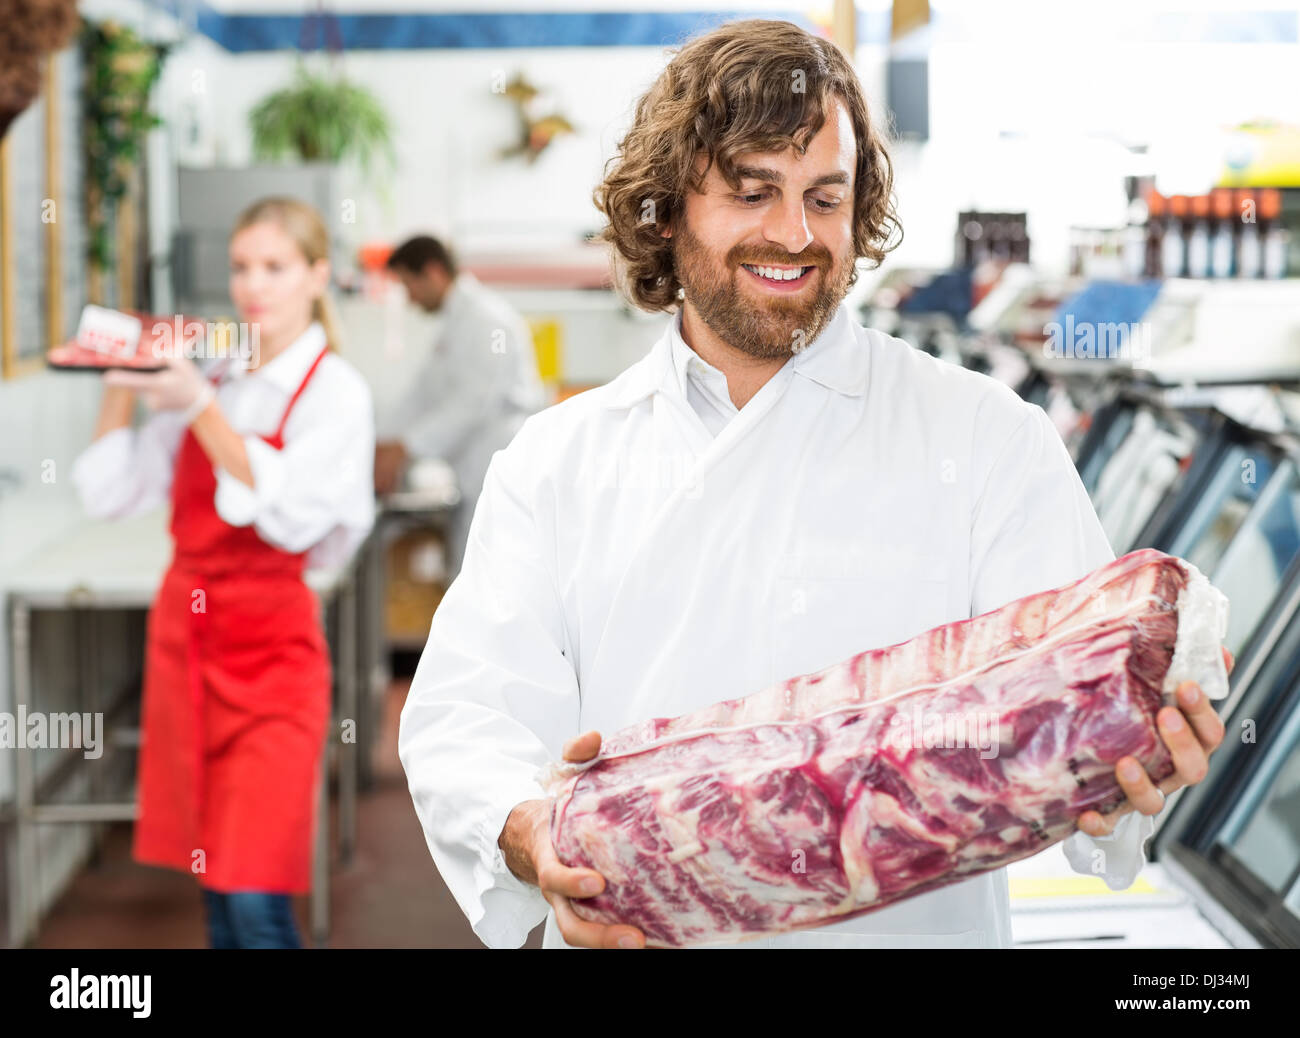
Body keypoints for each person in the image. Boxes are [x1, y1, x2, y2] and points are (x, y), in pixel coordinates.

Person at [397, 20, 1230, 950]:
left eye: (823, 197)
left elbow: (1080, 739)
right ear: (667, 210)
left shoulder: (989, 438)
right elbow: (465, 720)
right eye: (752, 192)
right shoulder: (558, 462)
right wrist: (528, 834)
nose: (793, 234)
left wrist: (1136, 765)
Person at [72, 197, 375, 948]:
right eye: (241, 268)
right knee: (210, 877)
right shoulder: (214, 372)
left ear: (315, 276)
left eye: (274, 267)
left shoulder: (333, 393)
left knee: (249, 891)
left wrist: (202, 407)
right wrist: (122, 376)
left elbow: (290, 514)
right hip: (187, 647)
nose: (252, 286)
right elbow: (114, 492)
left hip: (271, 662)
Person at [377, 235, 544, 580]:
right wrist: (383, 440)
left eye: (409, 285)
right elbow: (423, 394)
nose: (409, 299)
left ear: (434, 272)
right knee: (472, 576)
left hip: (499, 464)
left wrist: (405, 446)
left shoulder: (487, 320)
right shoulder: (455, 324)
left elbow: (472, 404)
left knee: (494, 579)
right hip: (474, 472)